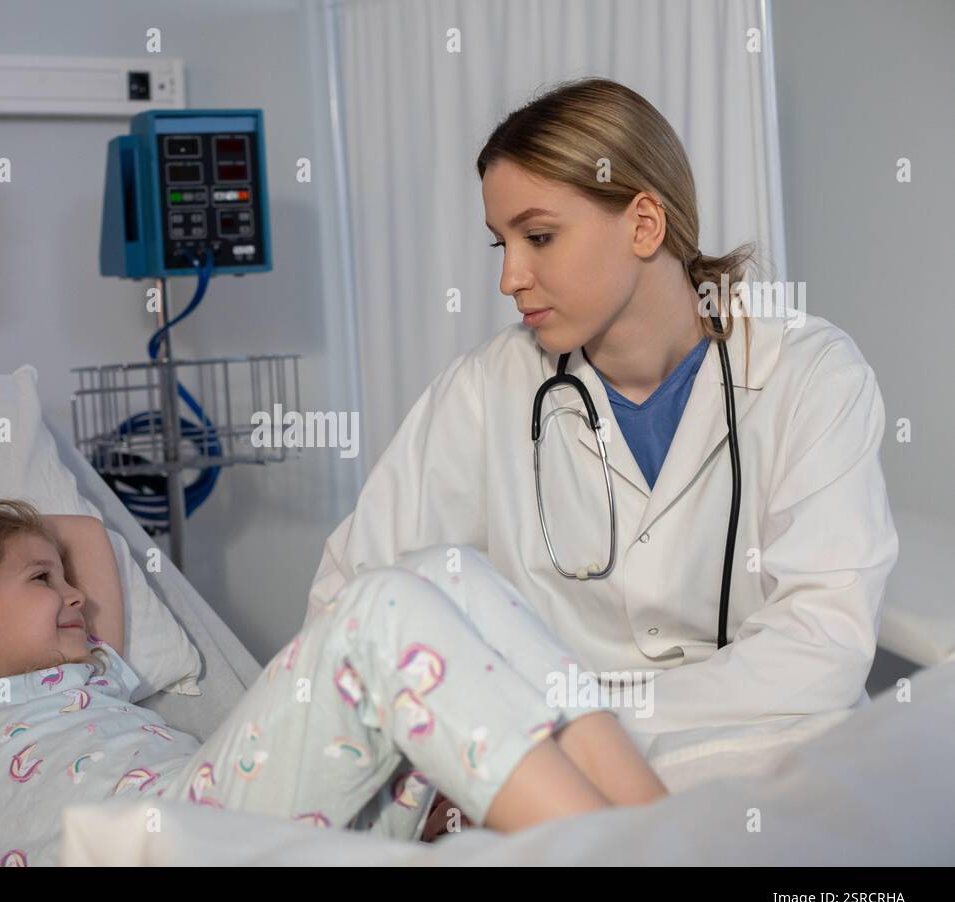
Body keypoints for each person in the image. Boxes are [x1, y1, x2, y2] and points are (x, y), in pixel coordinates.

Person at [303, 78, 899, 829]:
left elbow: (825, 645)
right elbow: (351, 601)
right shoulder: (488, 391)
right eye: (502, 243)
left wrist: (575, 712)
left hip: (760, 752)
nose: (509, 276)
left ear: (644, 222)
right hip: (559, 776)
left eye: (539, 237)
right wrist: (462, 753)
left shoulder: (810, 375)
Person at [0, 463, 667, 864]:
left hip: (253, 827)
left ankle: (655, 832)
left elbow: (83, 533)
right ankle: (627, 854)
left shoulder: (90, 672)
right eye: (43, 583)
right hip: (169, 844)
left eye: (65, 585)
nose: (75, 594)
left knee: (445, 570)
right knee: (378, 609)